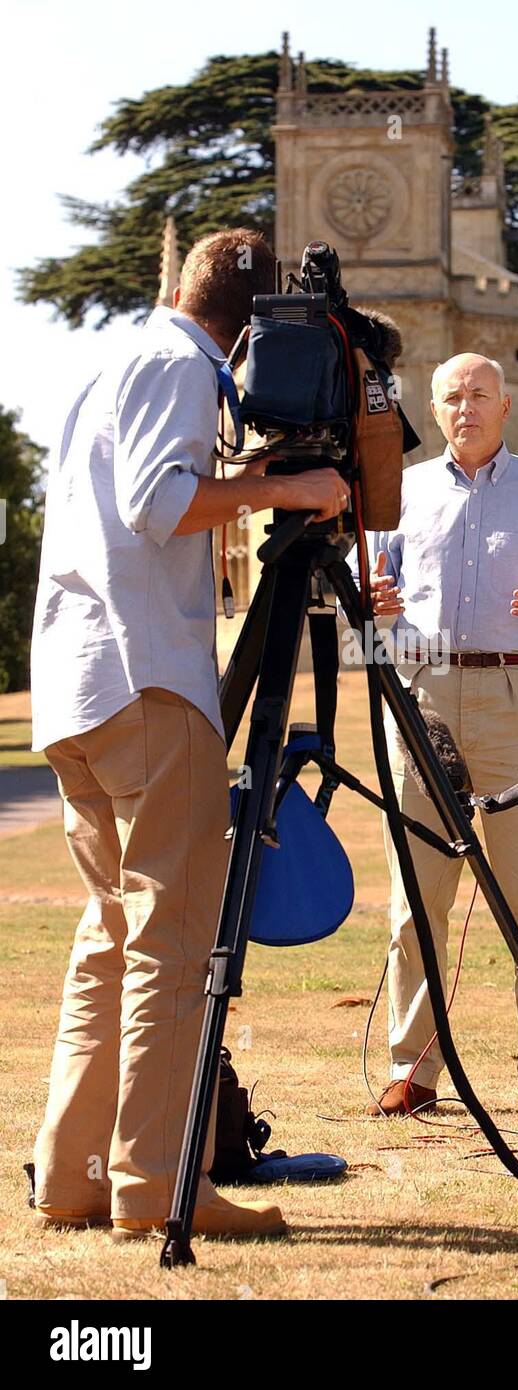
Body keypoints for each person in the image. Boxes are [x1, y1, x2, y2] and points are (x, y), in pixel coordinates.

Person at [29, 229, 348, 1239]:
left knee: (110, 941)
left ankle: (75, 1177)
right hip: (147, 679)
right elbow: (159, 501)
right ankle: (157, 1188)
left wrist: (243, 470)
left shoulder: (116, 361)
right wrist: (285, 488)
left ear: (177, 283)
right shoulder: (179, 363)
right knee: (169, 943)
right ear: (252, 329)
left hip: (77, 687)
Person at [365, 352, 518, 1119]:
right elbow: (370, 603)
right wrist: (370, 606)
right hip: (422, 698)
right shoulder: (400, 493)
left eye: (479, 394)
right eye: (450, 397)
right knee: (417, 896)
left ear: (505, 407)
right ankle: (414, 1068)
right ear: (434, 411)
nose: (465, 406)